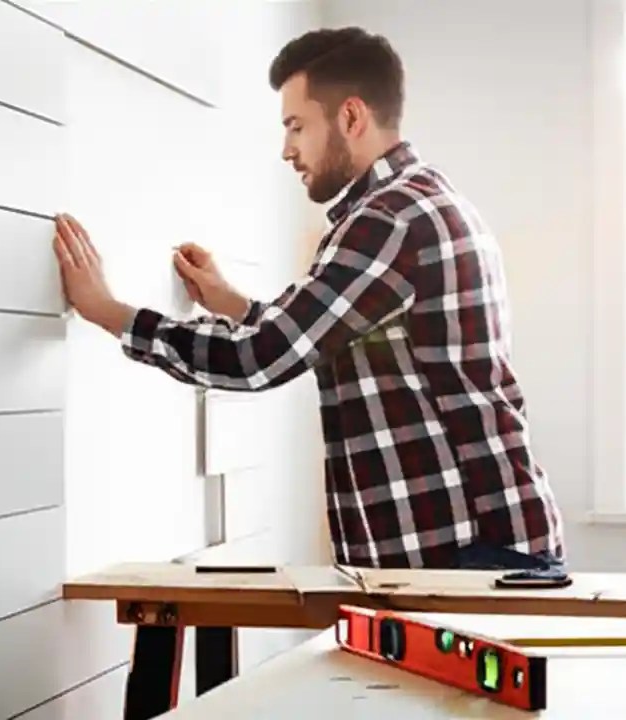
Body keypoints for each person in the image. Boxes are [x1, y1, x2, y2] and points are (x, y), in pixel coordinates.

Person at [51, 26, 565, 572]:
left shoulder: (389, 220)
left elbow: (258, 358)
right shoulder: (418, 203)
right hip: (478, 542)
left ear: (351, 117)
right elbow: (330, 335)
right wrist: (234, 304)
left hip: (468, 550)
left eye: (296, 126)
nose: (286, 150)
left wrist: (109, 312)